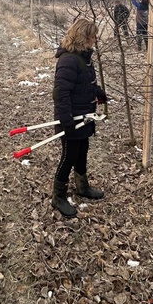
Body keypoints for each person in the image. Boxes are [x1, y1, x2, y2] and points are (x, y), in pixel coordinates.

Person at [51, 19, 108, 218]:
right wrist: (66, 122)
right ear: (84, 37)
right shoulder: (68, 60)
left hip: (84, 116)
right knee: (69, 156)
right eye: (93, 35)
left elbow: (85, 83)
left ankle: (82, 186)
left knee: (83, 151)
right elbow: (61, 94)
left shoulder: (84, 58)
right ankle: (58, 196)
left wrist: (99, 92)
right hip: (71, 118)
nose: (95, 39)